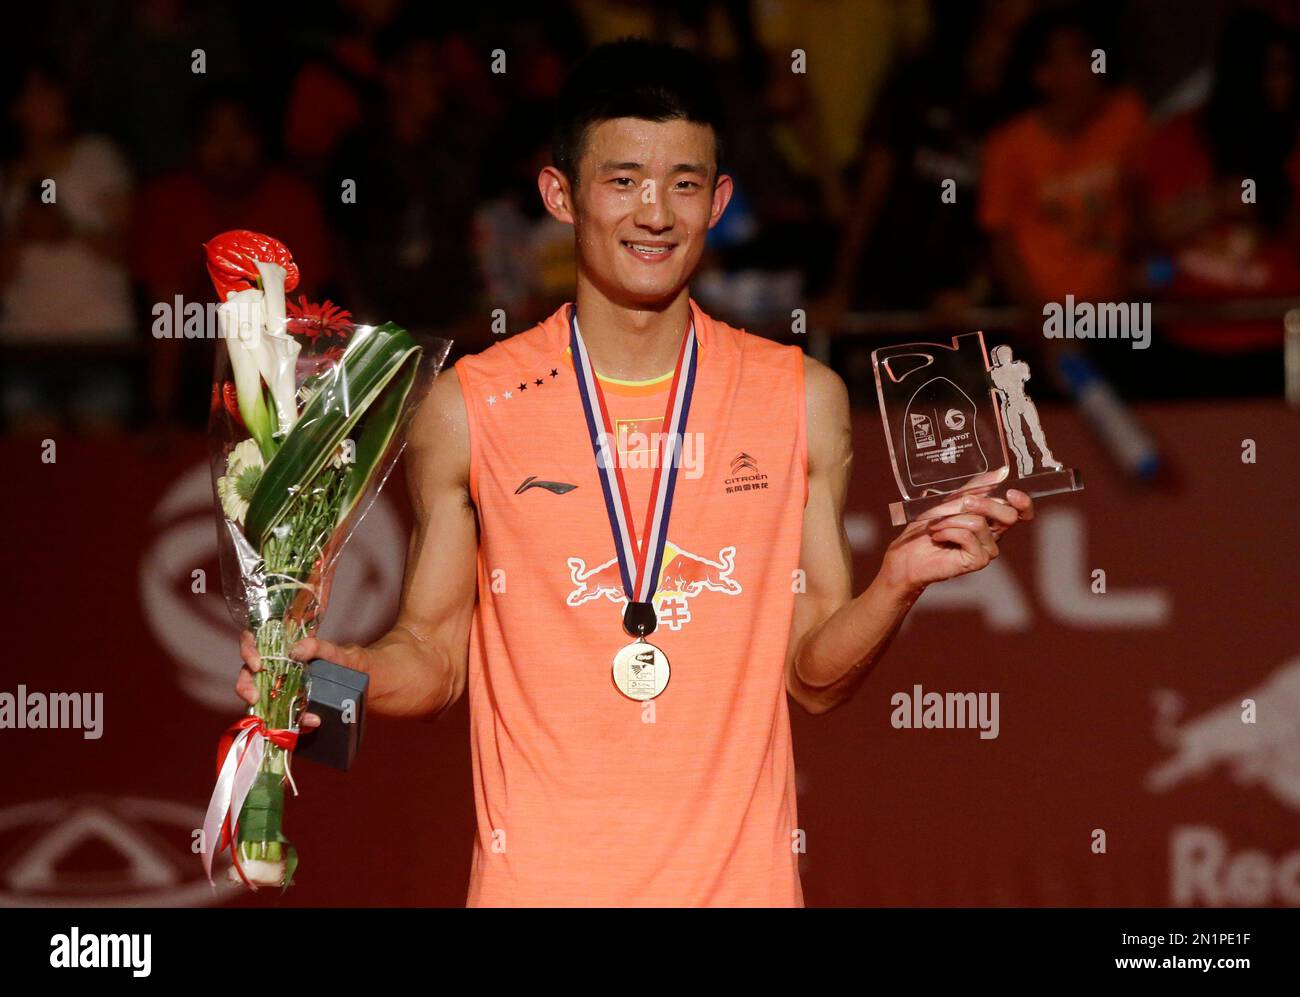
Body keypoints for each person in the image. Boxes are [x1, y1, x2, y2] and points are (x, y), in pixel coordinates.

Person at [235, 38, 1033, 907]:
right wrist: (331, 671)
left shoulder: (801, 399)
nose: (655, 212)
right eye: (622, 180)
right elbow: (433, 657)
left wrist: (899, 583)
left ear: (719, 201)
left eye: (685, 184)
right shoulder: (472, 405)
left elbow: (813, 675)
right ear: (559, 195)